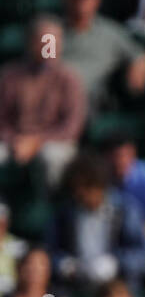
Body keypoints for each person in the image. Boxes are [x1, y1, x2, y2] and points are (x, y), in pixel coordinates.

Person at [0, 16, 85, 189]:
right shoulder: (10, 75)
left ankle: (54, 210)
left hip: (53, 142)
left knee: (52, 157)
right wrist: (16, 140)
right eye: (45, 41)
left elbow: (72, 126)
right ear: (31, 43)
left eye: (55, 41)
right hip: (15, 140)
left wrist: (37, 141)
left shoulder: (69, 78)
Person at [48, 152, 145, 288]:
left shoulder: (126, 210)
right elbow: (49, 252)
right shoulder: (66, 213)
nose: (81, 197)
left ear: (100, 186)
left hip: (117, 289)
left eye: (86, 190)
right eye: (76, 192)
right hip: (76, 288)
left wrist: (116, 264)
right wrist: (64, 264)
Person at [59, 0, 145, 110]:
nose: (80, 1)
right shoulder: (50, 32)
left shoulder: (110, 33)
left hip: (91, 103)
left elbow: (141, 56)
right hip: (56, 100)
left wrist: (139, 65)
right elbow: (43, 66)